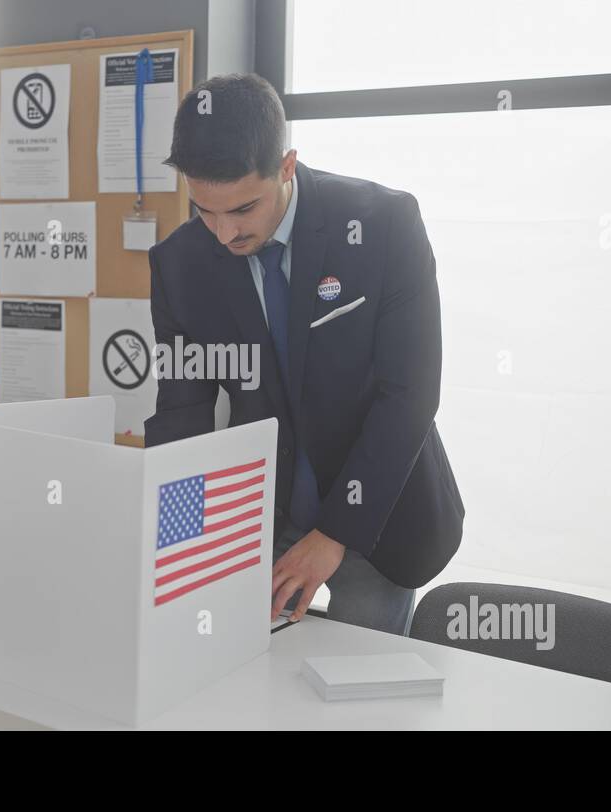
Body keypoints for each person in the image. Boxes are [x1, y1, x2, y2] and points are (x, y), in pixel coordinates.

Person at [143, 73, 464, 636]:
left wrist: (336, 534)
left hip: (377, 514)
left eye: (242, 209)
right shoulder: (179, 265)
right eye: (204, 210)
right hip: (262, 513)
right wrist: (177, 538)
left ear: (286, 166)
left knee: (357, 686)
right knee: (243, 672)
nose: (222, 233)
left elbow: (410, 394)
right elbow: (182, 412)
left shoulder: (383, 225)